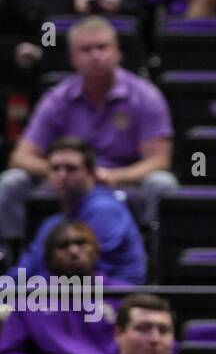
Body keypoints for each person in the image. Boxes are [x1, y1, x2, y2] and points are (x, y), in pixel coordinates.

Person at [2, 16, 176, 245]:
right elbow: (20, 157)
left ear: (117, 52)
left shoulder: (145, 96)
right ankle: (13, 255)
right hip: (66, 181)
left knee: (164, 183)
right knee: (10, 182)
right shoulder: (57, 98)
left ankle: (158, 260)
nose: (96, 55)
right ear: (72, 58)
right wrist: (64, 172)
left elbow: (159, 161)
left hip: (122, 178)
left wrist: (113, 176)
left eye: (102, 47)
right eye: (86, 49)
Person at [5, 138, 148, 284]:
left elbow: (81, 272)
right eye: (55, 168)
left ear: (91, 173)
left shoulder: (104, 210)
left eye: (71, 168)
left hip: (115, 297)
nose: (62, 175)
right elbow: (25, 270)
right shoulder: (52, 223)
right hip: (65, 295)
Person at [0, 220, 123, 354]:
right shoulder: (30, 300)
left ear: (97, 250)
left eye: (81, 243)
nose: (73, 251)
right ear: (48, 258)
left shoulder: (123, 295)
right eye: (63, 246)